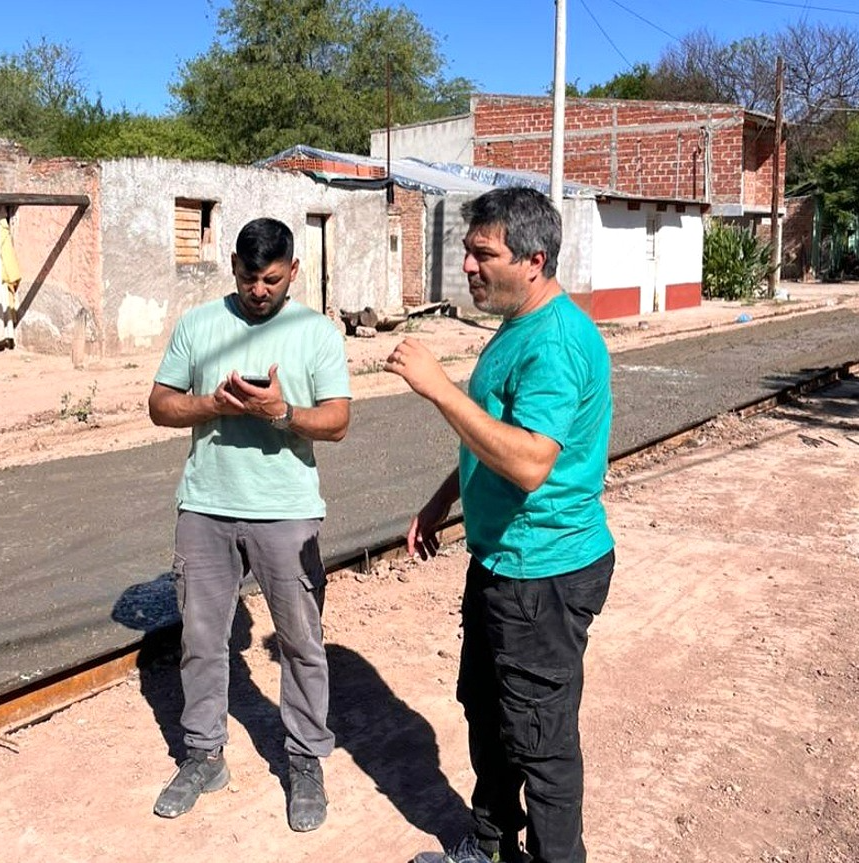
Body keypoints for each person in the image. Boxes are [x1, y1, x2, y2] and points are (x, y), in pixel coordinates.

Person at [386, 188, 615, 863]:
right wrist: (440, 502)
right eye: (467, 250)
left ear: (534, 260)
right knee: (489, 717)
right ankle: (486, 846)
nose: (466, 266)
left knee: (539, 741)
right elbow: (494, 437)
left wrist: (438, 387)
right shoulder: (519, 325)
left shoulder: (557, 343)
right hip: (502, 562)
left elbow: (529, 462)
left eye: (483, 253)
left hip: (544, 573)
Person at [147, 217, 351, 832]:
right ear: (231, 265)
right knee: (202, 642)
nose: (258, 290)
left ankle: (305, 763)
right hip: (206, 506)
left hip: (286, 512)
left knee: (300, 643)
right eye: (246, 277)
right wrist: (213, 403)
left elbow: (338, 421)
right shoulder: (199, 326)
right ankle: (204, 756)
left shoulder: (315, 332)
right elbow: (159, 405)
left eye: (270, 279)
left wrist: (280, 411)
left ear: (291, 270)